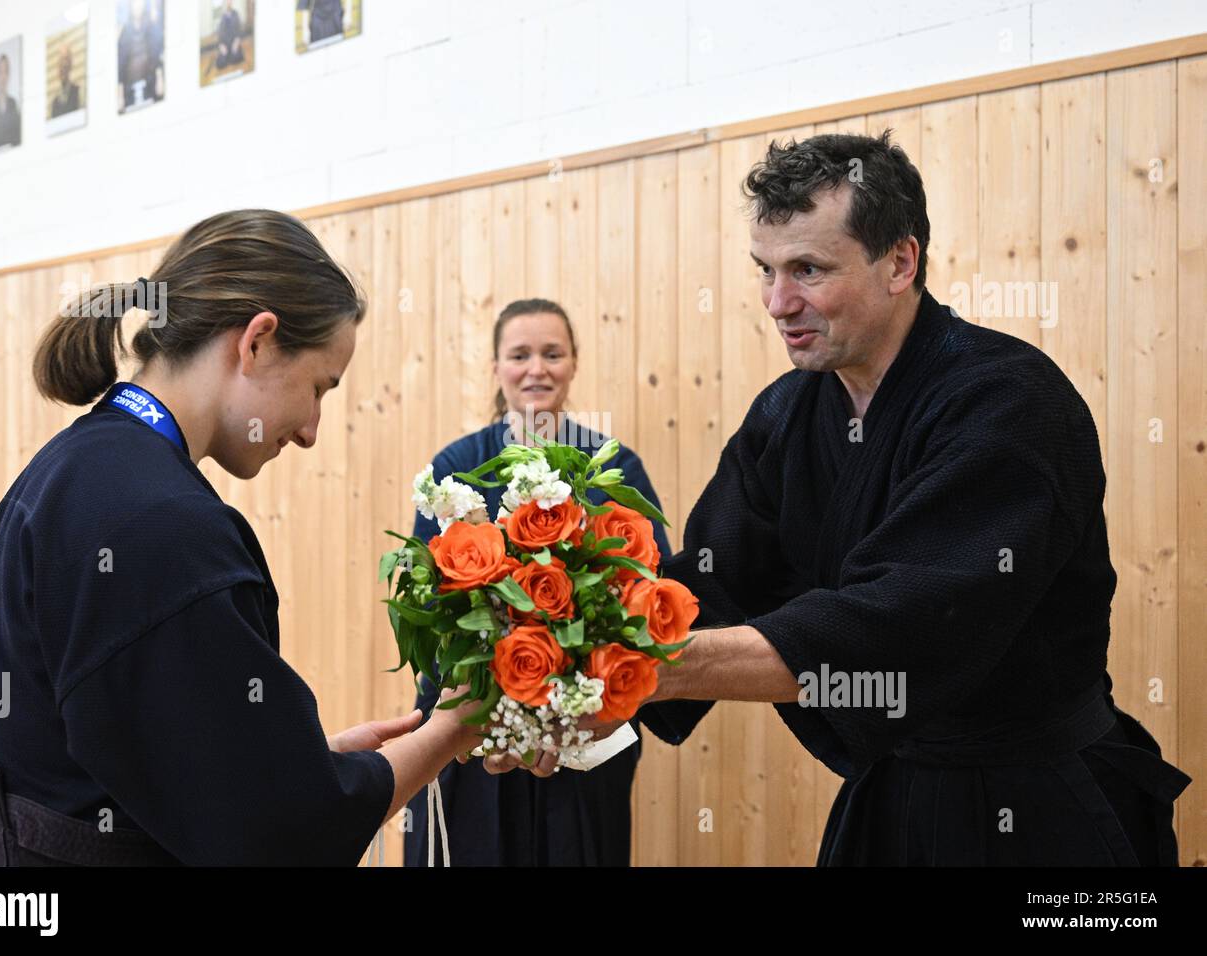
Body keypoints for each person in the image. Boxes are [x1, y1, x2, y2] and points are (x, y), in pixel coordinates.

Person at [495, 132, 1192, 867]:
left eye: (808, 270)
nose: (777, 303)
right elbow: (706, 585)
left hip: (1043, 801)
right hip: (894, 789)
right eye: (765, 271)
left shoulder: (1010, 403)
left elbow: (895, 625)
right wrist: (567, 667)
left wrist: (642, 669)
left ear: (900, 263)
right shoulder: (787, 414)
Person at [0, 209, 483, 866]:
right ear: (257, 342)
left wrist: (287, 761)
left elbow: (126, 748)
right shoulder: (162, 523)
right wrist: (450, 731)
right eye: (319, 388)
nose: (311, 430)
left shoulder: (77, 464)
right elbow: (282, 837)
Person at [403, 298, 683, 866]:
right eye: (520, 355)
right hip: (475, 716)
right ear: (496, 366)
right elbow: (426, 597)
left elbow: (651, 588)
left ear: (574, 362)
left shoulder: (613, 467)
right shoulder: (456, 467)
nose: (537, 369)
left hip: (583, 719)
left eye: (552, 354)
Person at [118, 0, 164, 112]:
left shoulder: (151, 26)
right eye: (135, 3)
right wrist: (120, 95)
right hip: (130, 87)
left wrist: (160, 79)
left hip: (150, 82)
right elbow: (120, 65)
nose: (137, 6)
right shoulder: (125, 32)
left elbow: (157, 56)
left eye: (140, 2)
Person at [50, 46, 81, 118]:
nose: (63, 65)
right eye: (61, 61)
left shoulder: (79, 93)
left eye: (66, 60)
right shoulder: (54, 103)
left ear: (70, 65)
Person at [215, 0, 246, 70]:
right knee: (221, 63)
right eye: (227, 1)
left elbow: (239, 29)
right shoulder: (222, 16)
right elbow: (220, 33)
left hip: (233, 43)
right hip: (225, 43)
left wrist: (236, 42)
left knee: (236, 58)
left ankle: (232, 56)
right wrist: (221, 45)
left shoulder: (236, 14)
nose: (228, 3)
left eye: (230, 1)